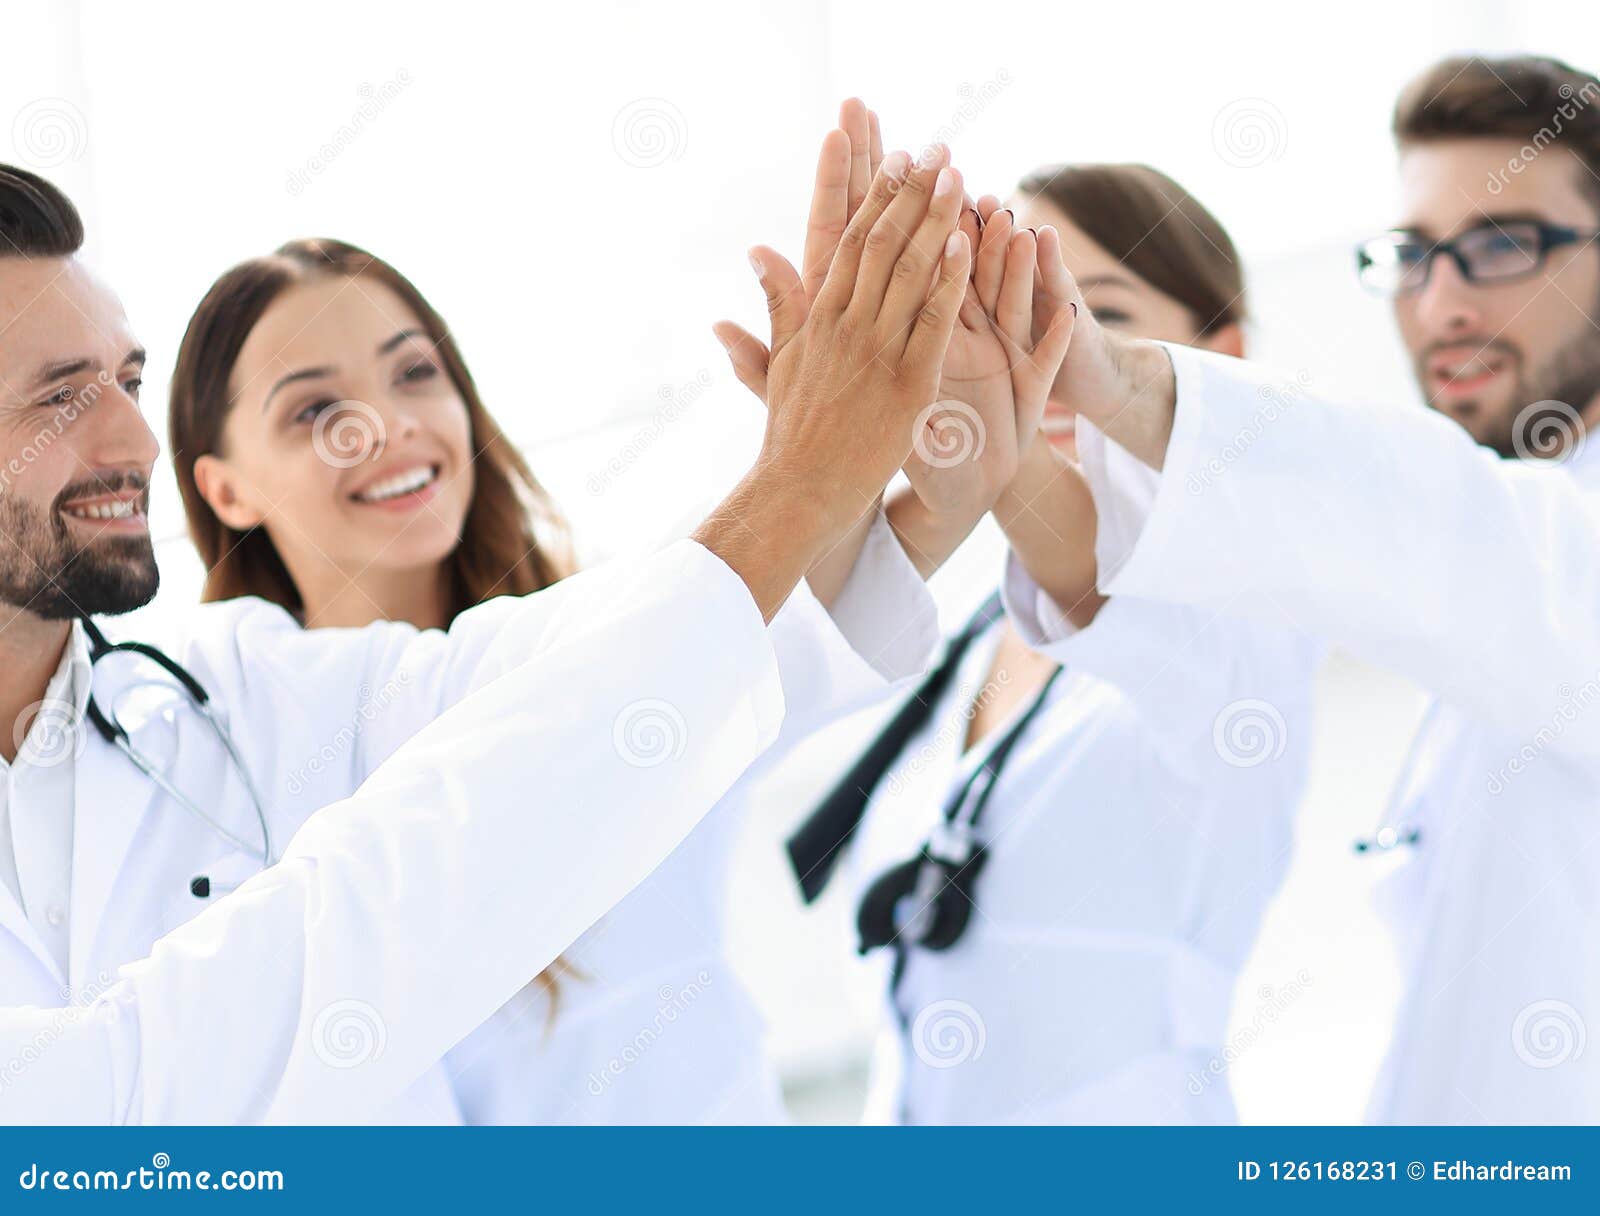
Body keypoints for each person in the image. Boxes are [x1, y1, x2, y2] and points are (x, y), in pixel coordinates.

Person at [0, 133, 1010, 1122]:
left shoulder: (249, 687)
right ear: (226, 485)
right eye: (57, 398)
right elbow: (117, 1094)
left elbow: (583, 684)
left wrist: (888, 491)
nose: (133, 439)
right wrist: (804, 481)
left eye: (129, 384)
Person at [1014, 54, 1600, 1123]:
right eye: (1413, 256)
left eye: (1502, 245)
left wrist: (1120, 379)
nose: (1442, 302)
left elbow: (1443, 526)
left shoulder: (1541, 550)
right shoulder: (1517, 551)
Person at [768, 161, 1318, 1123]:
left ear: (1215, 353)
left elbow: (1102, 578)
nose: (1037, 347)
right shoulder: (979, 624)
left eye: (1087, 308)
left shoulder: (1251, 610)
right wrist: (817, 431)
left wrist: (994, 441)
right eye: (998, 308)